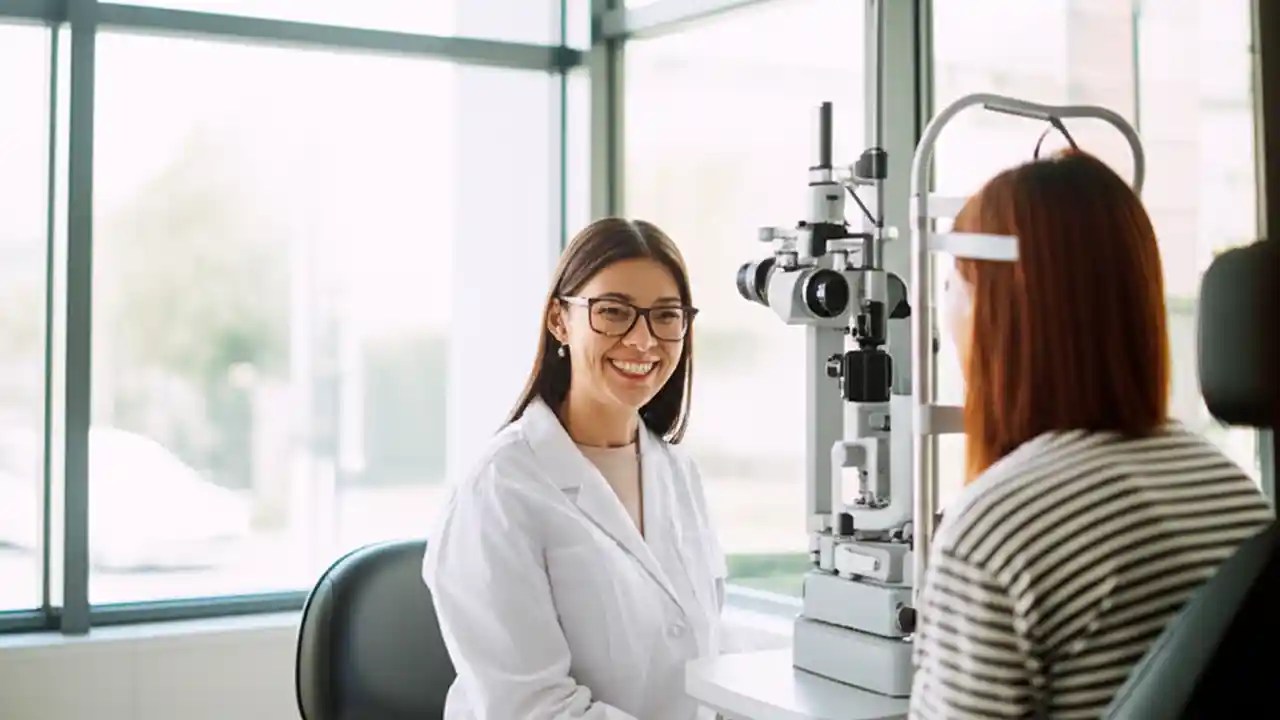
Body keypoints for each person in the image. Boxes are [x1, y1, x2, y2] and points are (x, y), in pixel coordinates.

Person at [909, 150, 1275, 719]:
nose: (943, 313)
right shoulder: (1235, 497)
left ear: (1005, 310)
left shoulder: (993, 535)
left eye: (955, 285)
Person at [423, 218, 729, 719]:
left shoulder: (678, 473)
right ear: (559, 320)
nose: (643, 340)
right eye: (613, 312)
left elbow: (705, 647)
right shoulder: (500, 487)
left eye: (665, 316)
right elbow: (529, 707)